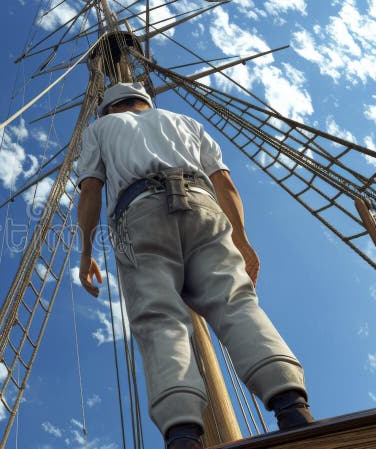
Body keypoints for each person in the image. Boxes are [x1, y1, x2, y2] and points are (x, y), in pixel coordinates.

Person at [76, 82, 314, 449]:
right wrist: (242, 238)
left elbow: (91, 189)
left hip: (137, 212)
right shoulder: (186, 122)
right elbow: (225, 183)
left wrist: (86, 251)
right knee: (235, 301)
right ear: (145, 101)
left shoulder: (101, 129)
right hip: (204, 205)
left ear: (109, 108)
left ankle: (184, 436)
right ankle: (293, 409)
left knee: (160, 319)